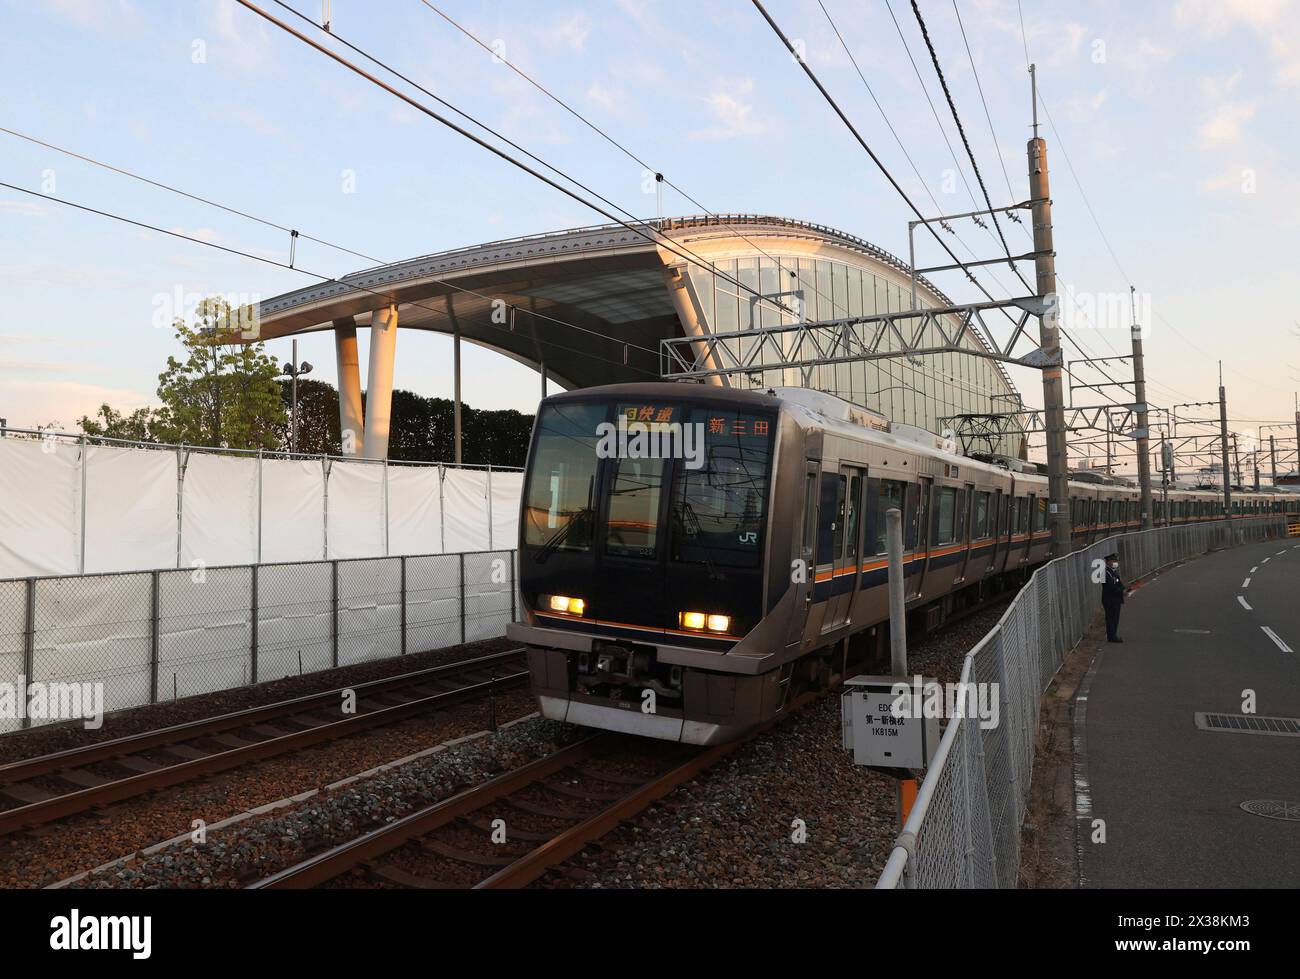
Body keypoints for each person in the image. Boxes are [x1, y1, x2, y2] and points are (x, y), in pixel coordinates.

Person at [1102, 553, 1125, 643]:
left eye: (1116, 561)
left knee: (1115, 618)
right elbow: (1110, 587)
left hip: (1115, 599)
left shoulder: (1113, 572)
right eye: (1113, 561)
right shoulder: (1105, 573)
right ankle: (1112, 636)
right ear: (1108, 562)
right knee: (1111, 618)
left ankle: (1112, 634)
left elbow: (1118, 582)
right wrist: (1121, 588)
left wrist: (1122, 587)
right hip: (1110, 599)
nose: (1115, 563)